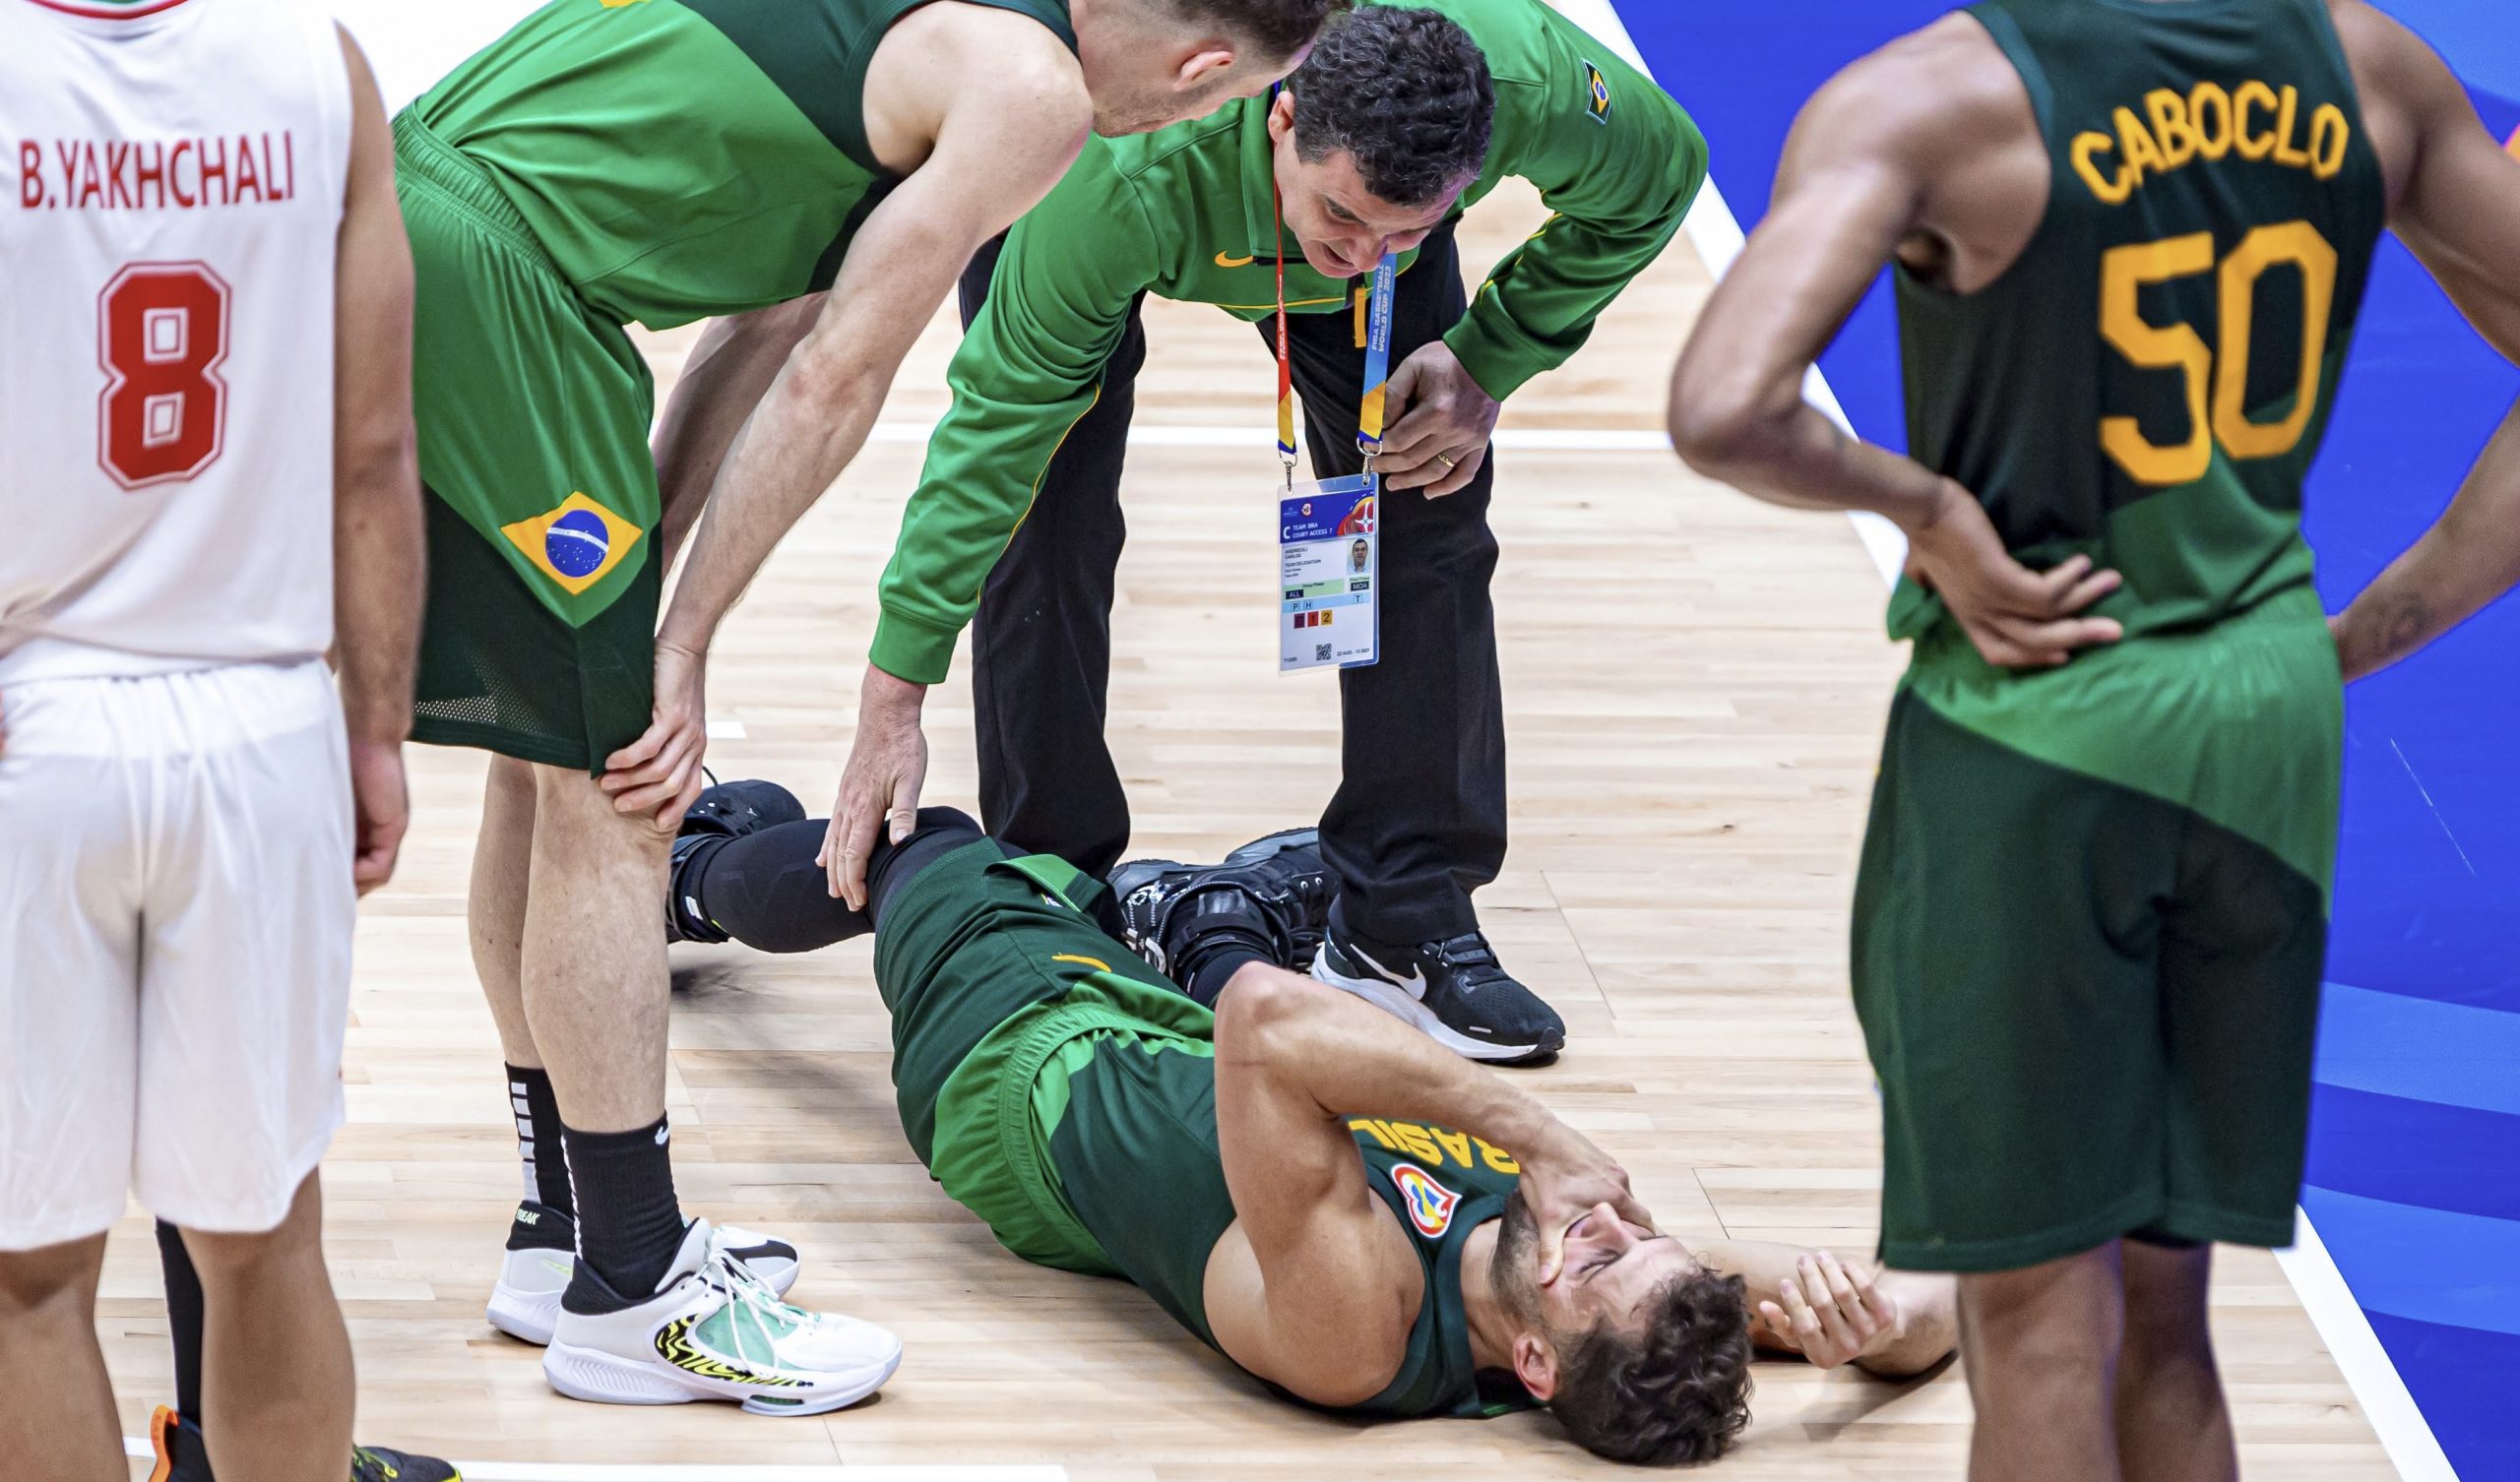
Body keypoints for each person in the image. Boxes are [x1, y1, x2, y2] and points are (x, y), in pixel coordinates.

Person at [395, 0, 1339, 1411]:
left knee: (556, 757)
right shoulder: (1034, 94)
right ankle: (632, 1291)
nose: (1197, 124)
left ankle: (565, 1229)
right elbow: (835, 374)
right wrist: (681, 642)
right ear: (1205, 68)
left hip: (436, 208)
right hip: (503, 271)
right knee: (626, 781)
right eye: (1222, 104)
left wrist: (648, 583)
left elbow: (766, 314)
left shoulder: (937, 44)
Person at [1668, 1, 2520, 1477]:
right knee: (2168, 1309)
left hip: (2042, 726)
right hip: (2263, 722)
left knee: (2040, 1322)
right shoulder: (2366, 68)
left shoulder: (1927, 100)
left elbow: (1722, 409)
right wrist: (2374, 627)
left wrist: (1932, 513)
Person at [626, 0, 1710, 1068]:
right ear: (1284, 116)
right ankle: (1052, 883)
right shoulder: (1106, 181)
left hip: (1338, 220)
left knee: (1426, 504)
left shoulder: (1515, 79)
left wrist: (1490, 354)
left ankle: (1402, 916)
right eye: (1343, 219)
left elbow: (1661, 176)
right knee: (1044, 515)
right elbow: (995, 436)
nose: (1364, 253)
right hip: (1111, 186)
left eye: (1409, 229)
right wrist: (893, 693)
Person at [660, 781, 1959, 1462]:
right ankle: (1178, 914)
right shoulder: (1610, 1294)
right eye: (1641, 1230)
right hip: (1185, 1046)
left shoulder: (1360, 1326)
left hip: (1025, 1065)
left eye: (1604, 1253)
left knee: (919, 842)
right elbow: (1954, 1299)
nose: (1610, 1218)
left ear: (1536, 1367)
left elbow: (1269, 1023)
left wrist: (1543, 1134)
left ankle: (694, 872)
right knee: (1068, 882)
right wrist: (1873, 1328)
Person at [0, 0, 427, 1476]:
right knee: (264, 1237)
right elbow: (373, 452)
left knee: (27, 1278)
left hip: (32, 733)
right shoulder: (320, 68)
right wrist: (376, 732)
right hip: (260, 723)